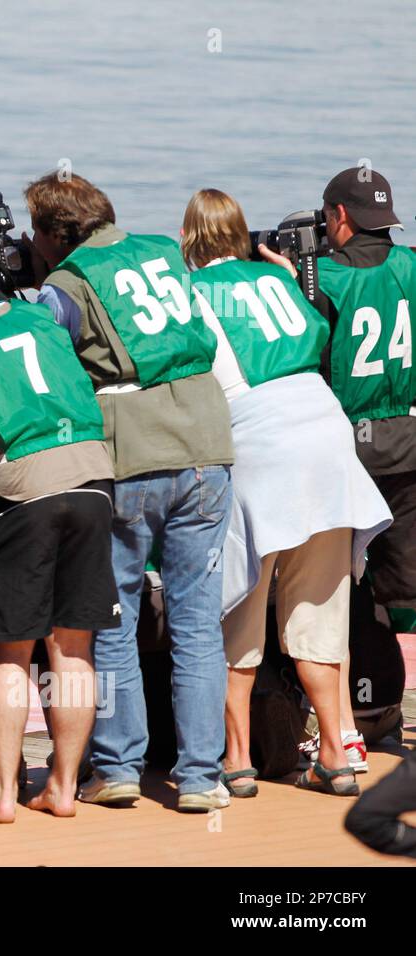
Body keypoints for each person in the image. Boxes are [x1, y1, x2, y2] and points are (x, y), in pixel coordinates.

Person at [26, 171, 235, 812]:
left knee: (112, 617)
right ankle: (202, 778)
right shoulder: (163, 251)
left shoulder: (65, 283)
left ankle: (118, 768)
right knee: (199, 623)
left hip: (131, 450)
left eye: (37, 231)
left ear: (56, 233)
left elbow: (43, 359)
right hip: (204, 440)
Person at [183, 188, 391, 798]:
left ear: (191, 240)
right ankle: (337, 753)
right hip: (325, 436)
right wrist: (280, 269)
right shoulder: (278, 281)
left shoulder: (193, 292)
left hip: (259, 444)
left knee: (236, 611)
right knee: (320, 618)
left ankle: (238, 760)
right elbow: (320, 332)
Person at [0, 244, 117, 822]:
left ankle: (6, 794)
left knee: (11, 647)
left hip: (24, 482)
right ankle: (61, 787)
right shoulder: (39, 314)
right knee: (74, 645)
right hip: (93, 473)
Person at [264, 167, 416, 773]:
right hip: (409, 442)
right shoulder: (411, 265)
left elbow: (296, 356)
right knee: (403, 588)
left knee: (338, 589)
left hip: (345, 452)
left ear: (339, 219)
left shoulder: (317, 279)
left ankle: (353, 718)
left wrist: (284, 281)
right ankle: (380, 712)